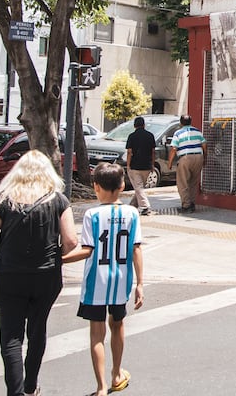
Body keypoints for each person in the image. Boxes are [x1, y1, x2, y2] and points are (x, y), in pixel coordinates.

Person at [0, 150, 79, 396]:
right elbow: (70, 241)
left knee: (11, 337)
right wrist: (52, 256)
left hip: (10, 275)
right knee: (37, 331)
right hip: (45, 276)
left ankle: (14, 392)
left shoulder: (6, 201)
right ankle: (30, 386)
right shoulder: (58, 200)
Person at [63, 163, 144, 396]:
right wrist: (140, 283)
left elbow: (87, 250)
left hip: (95, 283)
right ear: (122, 185)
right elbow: (136, 249)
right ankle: (117, 374)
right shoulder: (131, 214)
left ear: (96, 187)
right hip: (121, 281)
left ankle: (100, 387)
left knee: (96, 333)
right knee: (117, 325)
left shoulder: (92, 215)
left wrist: (59, 259)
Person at [168, 114, 206, 213]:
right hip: (198, 157)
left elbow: (174, 149)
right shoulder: (197, 131)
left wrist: (170, 162)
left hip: (185, 157)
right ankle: (192, 203)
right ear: (191, 121)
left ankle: (186, 205)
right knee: (193, 182)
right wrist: (205, 158)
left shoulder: (178, 133)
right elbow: (204, 145)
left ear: (181, 122)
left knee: (182, 182)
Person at [123, 116, 155, 216]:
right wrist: (152, 164)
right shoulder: (150, 135)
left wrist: (128, 165)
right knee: (140, 187)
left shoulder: (131, 136)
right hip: (147, 166)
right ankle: (133, 205)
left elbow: (129, 152)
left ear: (134, 125)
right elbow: (153, 152)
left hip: (135, 166)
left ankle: (145, 206)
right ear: (144, 125)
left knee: (138, 188)